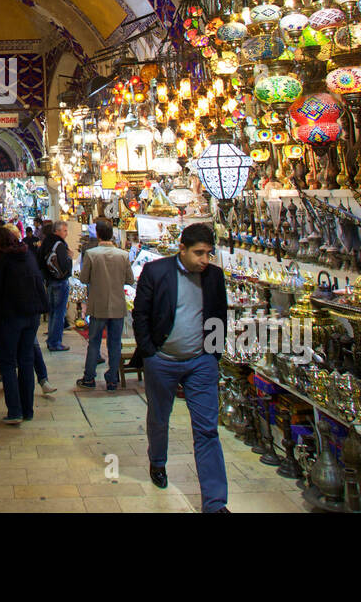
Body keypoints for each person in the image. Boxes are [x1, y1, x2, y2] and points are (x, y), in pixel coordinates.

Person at [130, 223, 229, 512]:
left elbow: (218, 315)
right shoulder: (157, 272)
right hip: (163, 360)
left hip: (201, 362)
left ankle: (215, 502)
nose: (204, 260)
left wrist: (214, 354)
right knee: (160, 417)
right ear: (182, 249)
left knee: (208, 430)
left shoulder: (213, 277)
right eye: (198, 253)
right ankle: (158, 462)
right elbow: (141, 314)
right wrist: (149, 352)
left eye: (209, 254)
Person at [0, 226, 49, 424]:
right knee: (26, 361)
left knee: (8, 363)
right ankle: (28, 410)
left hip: (10, 317)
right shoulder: (26, 256)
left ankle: (15, 411)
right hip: (31, 315)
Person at [75, 219, 130, 391]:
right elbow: (130, 279)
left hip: (98, 304)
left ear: (97, 234)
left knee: (95, 342)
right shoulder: (123, 255)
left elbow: (84, 279)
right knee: (115, 343)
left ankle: (89, 377)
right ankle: (112, 379)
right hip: (117, 305)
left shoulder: (92, 254)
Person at [39, 221, 73, 351]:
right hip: (60, 281)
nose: (66, 233)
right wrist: (69, 257)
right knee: (59, 312)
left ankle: (52, 340)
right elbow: (64, 264)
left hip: (49, 281)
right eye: (64, 230)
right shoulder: (59, 244)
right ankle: (55, 342)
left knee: (53, 311)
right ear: (57, 231)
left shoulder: (46, 242)